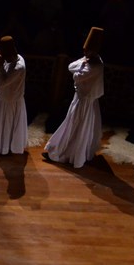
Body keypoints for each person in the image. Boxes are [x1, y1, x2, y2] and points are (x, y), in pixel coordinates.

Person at [44, 27, 106, 168]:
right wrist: (83, 62)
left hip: (84, 101)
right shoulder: (90, 61)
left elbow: (77, 75)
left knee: (76, 125)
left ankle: (69, 152)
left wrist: (83, 63)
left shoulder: (96, 66)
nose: (84, 54)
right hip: (80, 98)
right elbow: (71, 66)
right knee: (74, 123)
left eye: (86, 52)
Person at [0, 35, 28, 156]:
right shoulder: (10, 59)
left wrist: (0, 65)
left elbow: (2, 83)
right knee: (1, 123)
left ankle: (5, 146)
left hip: (11, 100)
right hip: (3, 98)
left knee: (9, 124)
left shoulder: (19, 66)